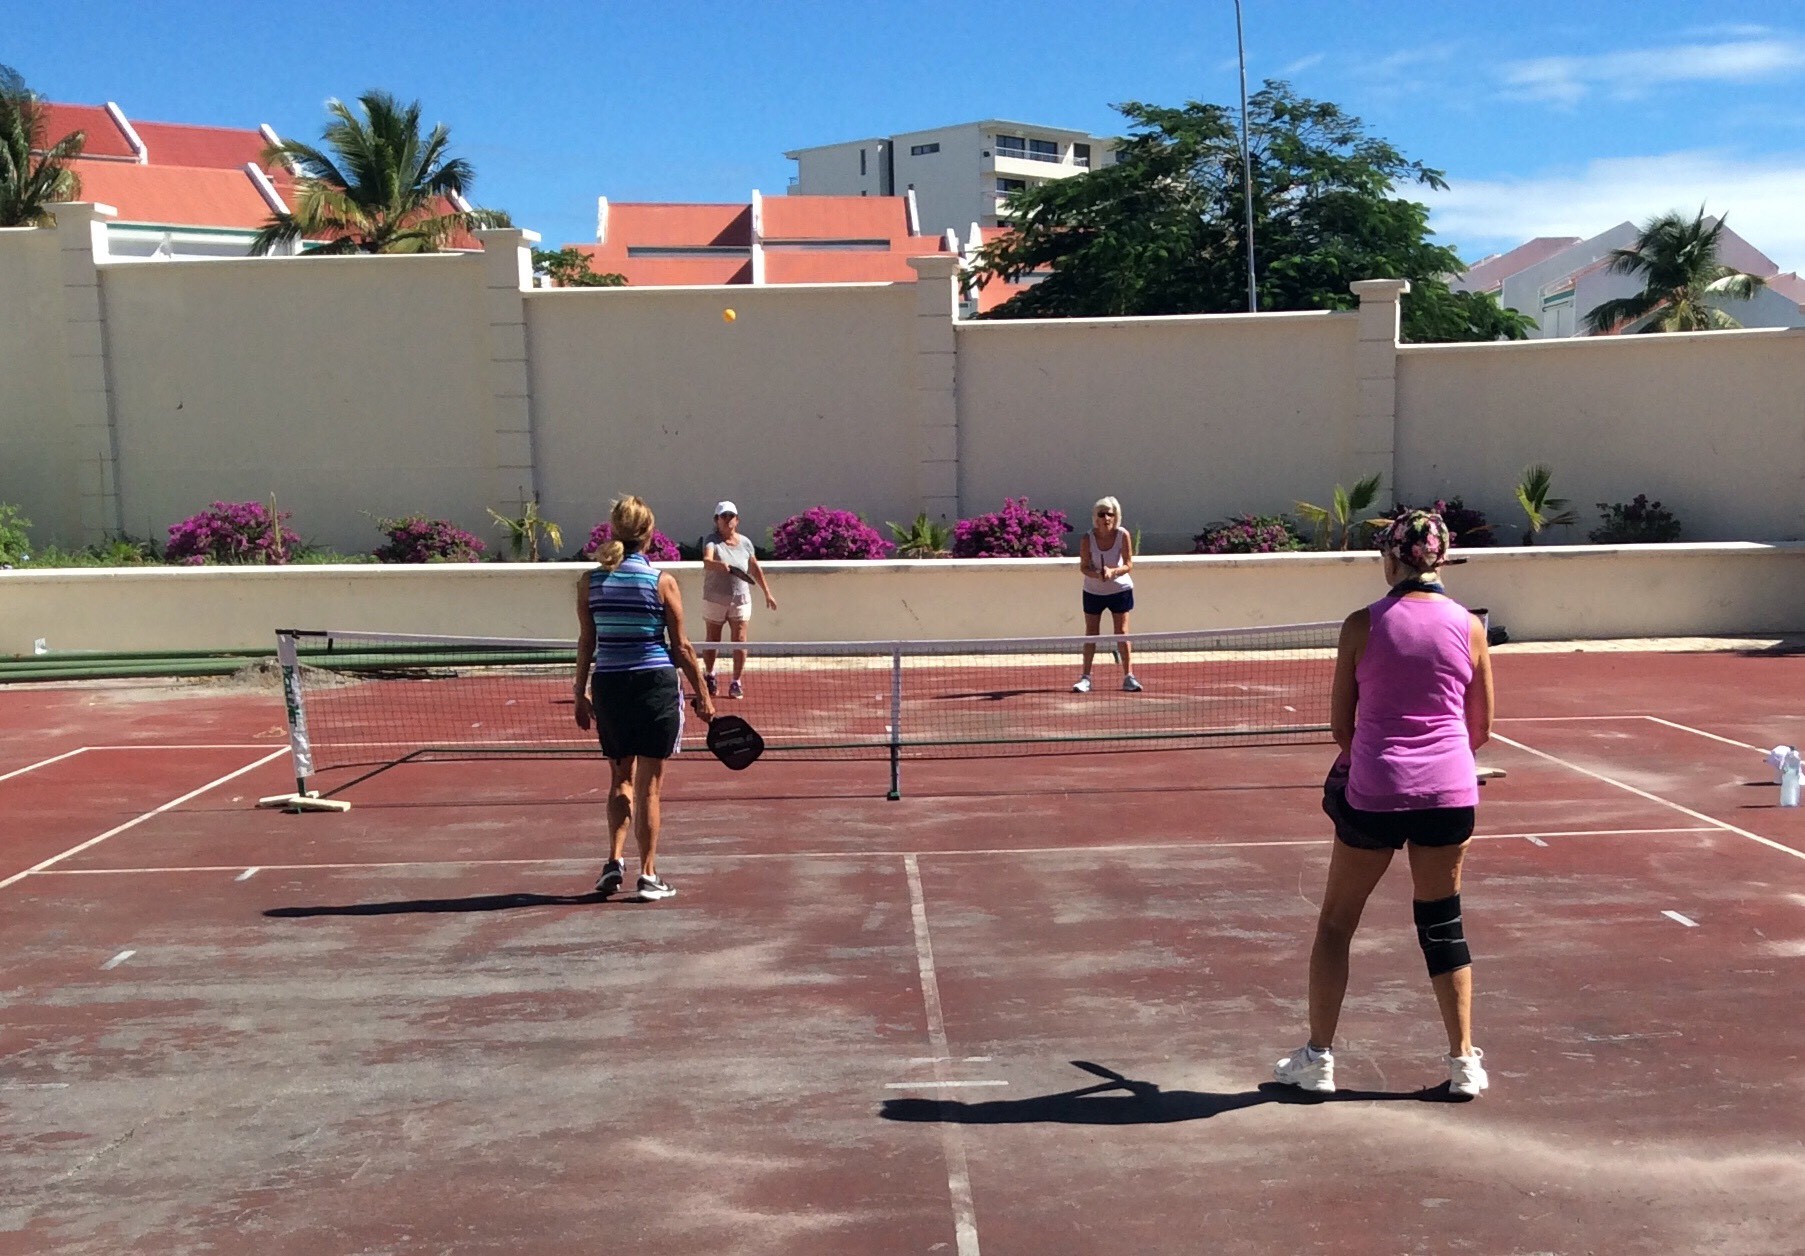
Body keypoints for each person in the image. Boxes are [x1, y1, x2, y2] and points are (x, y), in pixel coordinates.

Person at [1273, 509, 1495, 1098]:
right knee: (1442, 924)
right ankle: (1463, 1063)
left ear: (1392, 560)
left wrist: (1380, 760)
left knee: (1337, 924)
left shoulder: (1360, 625)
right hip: (1450, 793)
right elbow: (1481, 728)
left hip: (1374, 792)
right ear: (1441, 560)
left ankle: (1318, 1059)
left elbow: (1341, 728)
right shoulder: (1470, 627)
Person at [574, 495, 715, 902]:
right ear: (649, 535)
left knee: (620, 777)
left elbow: (588, 641)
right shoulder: (660, 581)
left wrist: (580, 692)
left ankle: (613, 861)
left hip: (610, 688)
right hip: (653, 686)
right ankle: (648, 875)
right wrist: (703, 695)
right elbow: (682, 647)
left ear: (613, 531)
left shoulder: (590, 582)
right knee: (650, 787)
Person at [699, 500, 777, 700]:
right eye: (723, 516)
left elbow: (754, 568)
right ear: (716, 520)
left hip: (741, 598)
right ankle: (710, 675)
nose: (727, 520)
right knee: (713, 639)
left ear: (737, 519)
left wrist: (767, 592)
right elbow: (707, 561)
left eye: (731, 516)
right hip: (715, 598)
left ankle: (736, 682)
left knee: (740, 639)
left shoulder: (745, 543)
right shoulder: (711, 540)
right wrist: (719, 565)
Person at [1074, 496, 1140, 693]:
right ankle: (1085, 678)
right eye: (1101, 514)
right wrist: (1096, 574)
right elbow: (1084, 567)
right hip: (1093, 591)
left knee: (1121, 632)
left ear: (1115, 516)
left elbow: (1129, 564)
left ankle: (1129, 677)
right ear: (1096, 517)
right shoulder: (1087, 538)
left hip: (1120, 590)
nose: (1105, 518)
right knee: (1091, 634)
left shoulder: (1123, 535)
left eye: (1109, 514)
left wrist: (1113, 572)